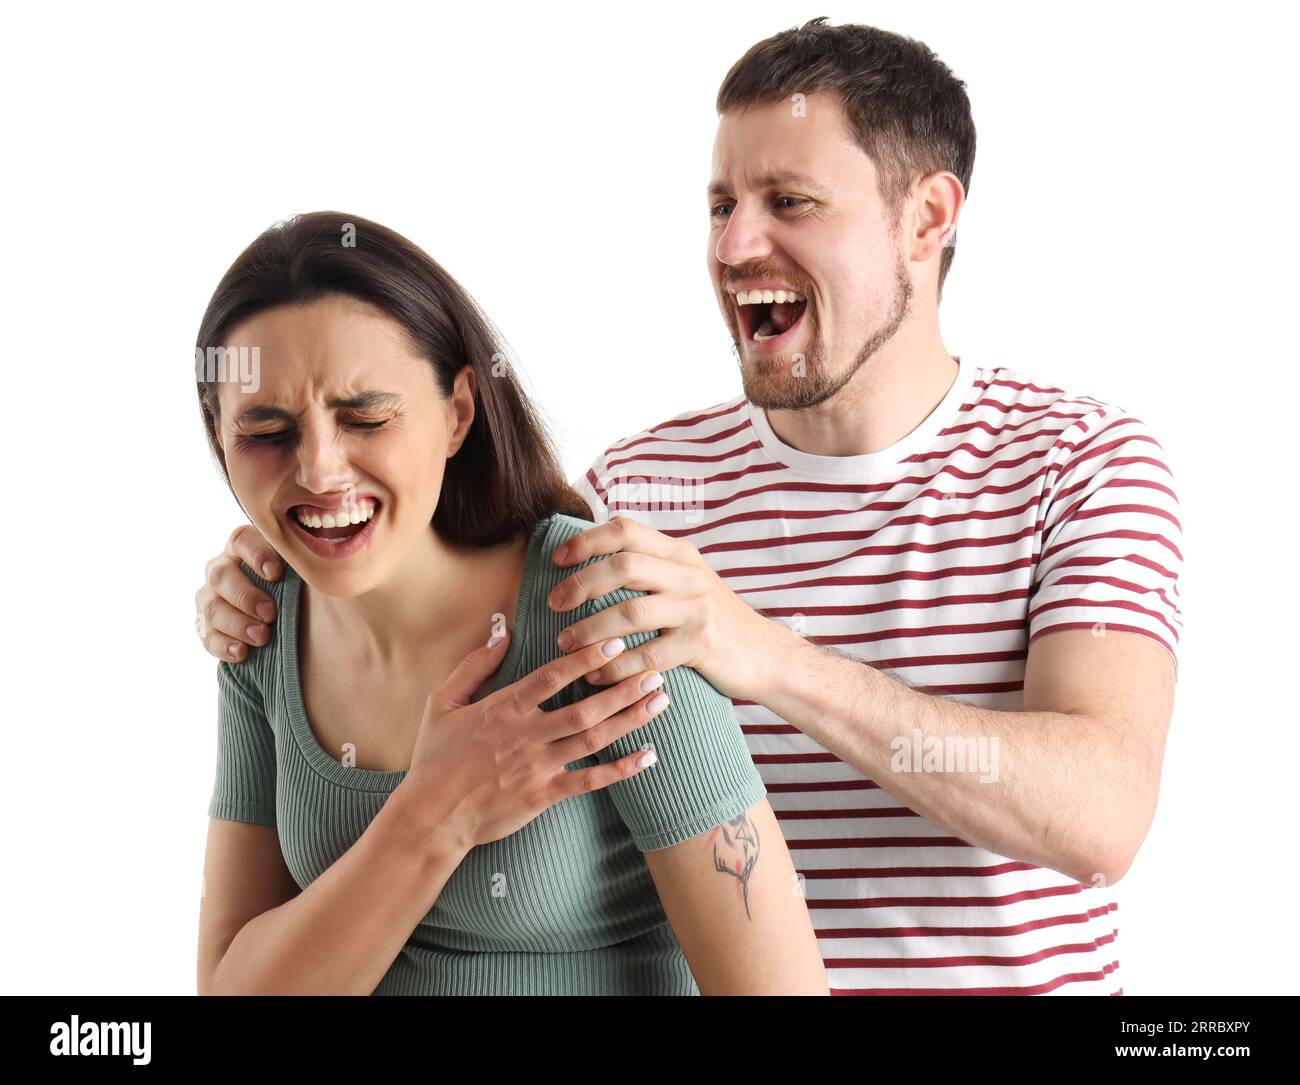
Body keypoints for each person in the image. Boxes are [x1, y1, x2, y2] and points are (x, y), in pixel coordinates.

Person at [196, 20, 1182, 995]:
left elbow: (1102, 819)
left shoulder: (1078, 463)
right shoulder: (638, 489)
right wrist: (280, 557)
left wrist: (770, 658)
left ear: (927, 218)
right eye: (720, 205)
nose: (734, 244)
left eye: (788, 201)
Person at [193, 210, 828, 996]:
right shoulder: (260, 624)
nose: (320, 471)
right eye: (266, 431)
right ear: (219, 437)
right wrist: (437, 812)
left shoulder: (605, 610)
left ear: (457, 412)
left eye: (366, 417)